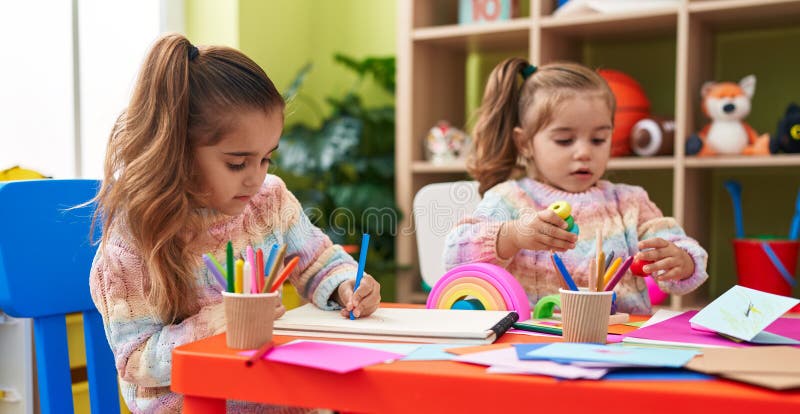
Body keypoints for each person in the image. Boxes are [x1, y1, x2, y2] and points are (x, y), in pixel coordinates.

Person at [89, 33, 381, 413]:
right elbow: (134, 362)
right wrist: (221, 320)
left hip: (274, 395)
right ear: (176, 151)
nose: (256, 178)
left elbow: (317, 259)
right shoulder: (135, 241)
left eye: (266, 159)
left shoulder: (268, 201)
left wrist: (346, 285)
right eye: (237, 163)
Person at [443, 58, 707, 315]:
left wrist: (681, 261)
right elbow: (455, 257)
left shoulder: (630, 201)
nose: (583, 152)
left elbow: (677, 249)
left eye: (598, 139)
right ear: (524, 143)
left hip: (618, 343)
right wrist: (513, 236)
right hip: (531, 342)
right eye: (565, 140)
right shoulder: (510, 198)